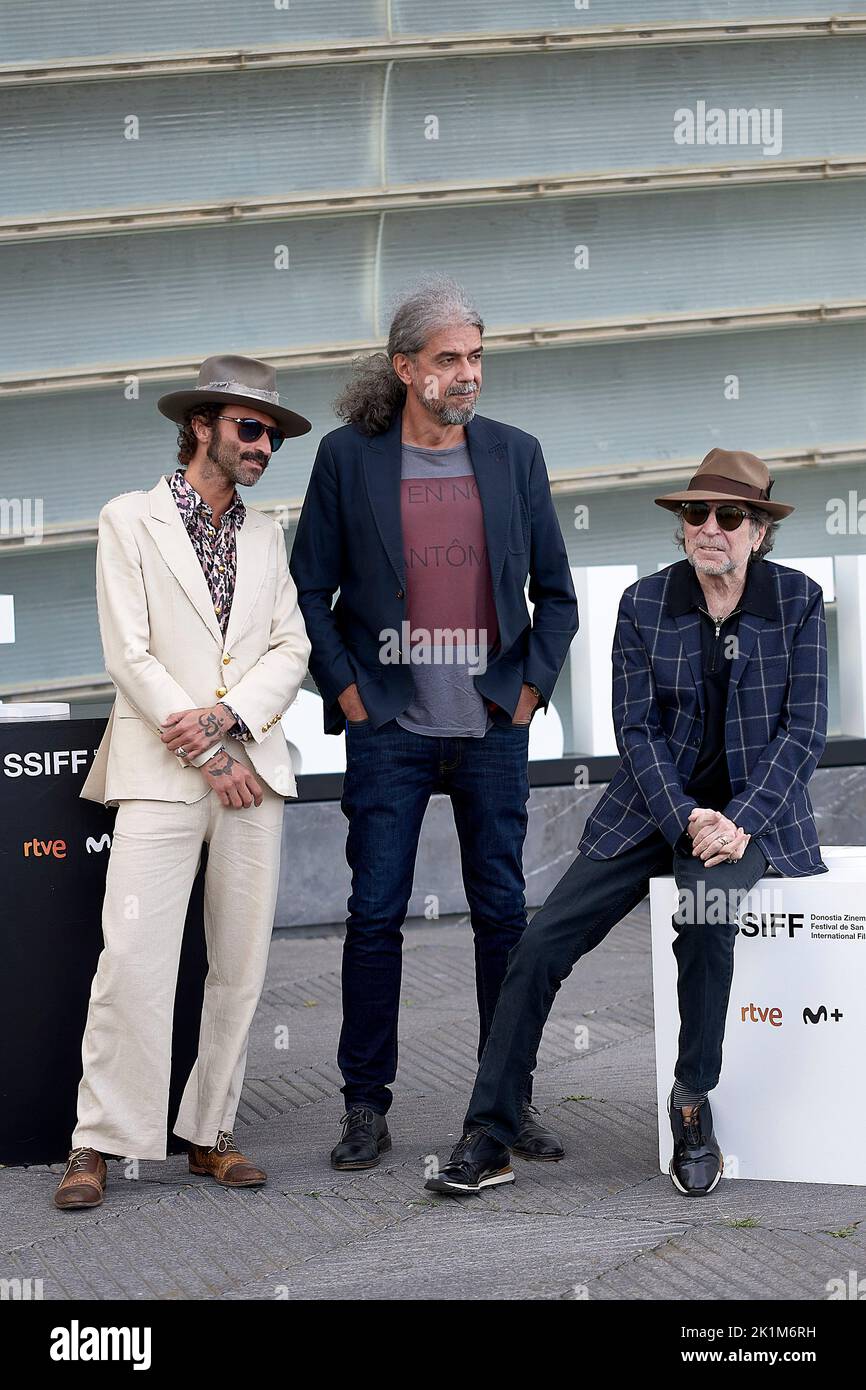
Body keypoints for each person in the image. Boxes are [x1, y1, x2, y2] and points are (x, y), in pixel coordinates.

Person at [427, 448, 828, 1197]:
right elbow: (635, 731)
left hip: (751, 817)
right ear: (681, 528)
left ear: (759, 532)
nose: (709, 528)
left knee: (706, 921)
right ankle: (490, 1129)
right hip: (652, 806)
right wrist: (686, 817)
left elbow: (802, 732)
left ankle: (691, 1103)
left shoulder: (798, 601)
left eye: (729, 516)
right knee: (539, 942)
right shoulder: (644, 604)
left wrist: (735, 823)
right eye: (694, 514)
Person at [290, 277, 579, 1169]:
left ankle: (505, 1102)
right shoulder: (347, 458)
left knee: (503, 915)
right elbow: (310, 588)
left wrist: (526, 694)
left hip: (491, 724)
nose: (468, 374)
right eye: (449, 358)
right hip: (391, 726)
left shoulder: (515, 455)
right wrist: (346, 694)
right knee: (374, 916)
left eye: (476, 356)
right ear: (404, 365)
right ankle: (365, 1107)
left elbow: (556, 596)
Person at [53, 355, 312, 1209]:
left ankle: (210, 1131)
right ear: (201, 425)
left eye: (272, 433)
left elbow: (292, 649)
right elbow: (128, 654)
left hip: (254, 771)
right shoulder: (128, 519)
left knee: (237, 967)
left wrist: (232, 725)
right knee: (132, 959)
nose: (263, 445)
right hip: (163, 774)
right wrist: (206, 752)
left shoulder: (268, 533)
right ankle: (99, 1140)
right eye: (249, 427)